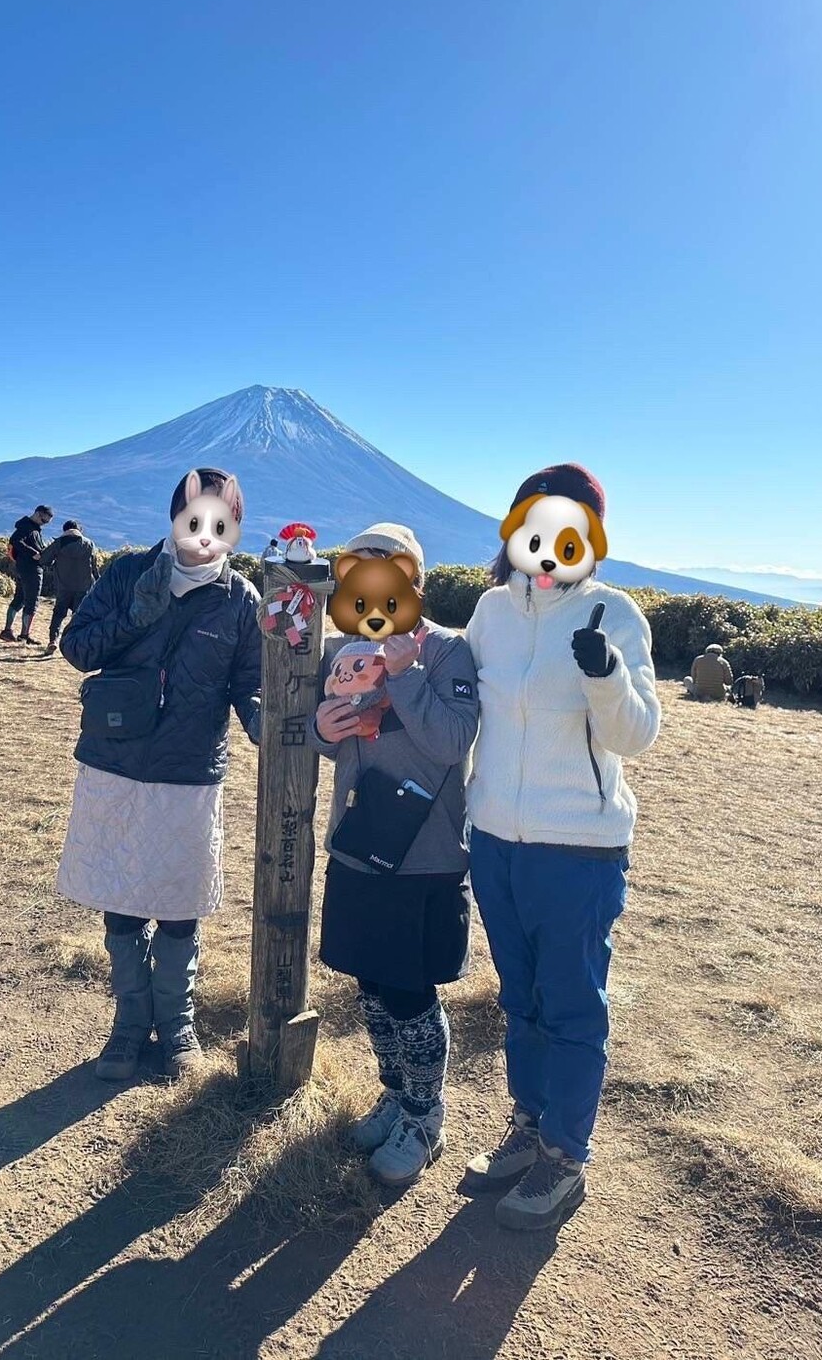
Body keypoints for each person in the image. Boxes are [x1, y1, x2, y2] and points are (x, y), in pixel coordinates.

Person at [464, 464, 661, 1230]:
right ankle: (528, 1126)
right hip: (495, 842)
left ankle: (564, 1157)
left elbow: (635, 734)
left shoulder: (615, 612)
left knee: (572, 1005)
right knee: (521, 999)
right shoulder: (489, 610)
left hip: (577, 846)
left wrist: (606, 675)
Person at [55, 469, 261, 1082]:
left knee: (177, 907)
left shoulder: (239, 600)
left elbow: (248, 686)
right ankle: (126, 1029)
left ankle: (175, 1028)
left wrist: (270, 725)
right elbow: (78, 649)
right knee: (120, 902)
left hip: (187, 772)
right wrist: (137, 616)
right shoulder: (126, 574)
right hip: (115, 764)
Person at [309, 523, 479, 1187]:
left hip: (424, 853)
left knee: (410, 990)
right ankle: (393, 1092)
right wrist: (323, 731)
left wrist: (404, 674)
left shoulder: (445, 651)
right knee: (371, 986)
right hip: (358, 843)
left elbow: (450, 741)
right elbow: (338, 742)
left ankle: (424, 1115)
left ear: (415, 578)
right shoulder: (342, 650)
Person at [40, 520, 99, 655]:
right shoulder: (89, 544)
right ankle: (76, 644)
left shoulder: (59, 543)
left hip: (64, 586)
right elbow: (94, 567)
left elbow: (44, 560)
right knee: (79, 616)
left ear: (64, 530)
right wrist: (98, 583)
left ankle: (53, 641)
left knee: (59, 613)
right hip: (84, 586)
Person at [0, 505, 54, 644]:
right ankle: (24, 635)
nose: (44, 523)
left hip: (22, 568)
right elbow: (16, 541)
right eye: (43, 519)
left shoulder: (28, 527)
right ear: (37, 514)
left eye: (46, 522)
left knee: (19, 599)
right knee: (32, 602)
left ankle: (7, 631)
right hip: (31, 569)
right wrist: (33, 553)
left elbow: (17, 542)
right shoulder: (27, 527)